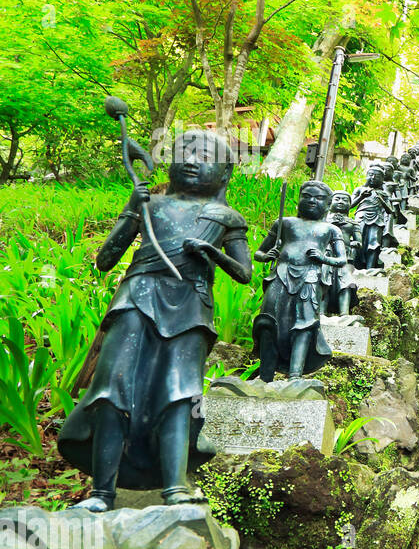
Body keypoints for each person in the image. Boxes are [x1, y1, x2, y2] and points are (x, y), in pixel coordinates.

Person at [57, 130, 252, 512]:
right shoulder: (151, 205)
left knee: (179, 392)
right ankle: (101, 492)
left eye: (205, 155)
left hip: (191, 305)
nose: (192, 159)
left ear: (226, 174)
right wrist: (132, 210)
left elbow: (244, 273)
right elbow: (105, 259)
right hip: (136, 298)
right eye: (185, 151)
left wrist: (212, 251)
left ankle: (175, 486)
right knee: (113, 387)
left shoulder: (226, 216)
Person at [252, 181, 349, 381]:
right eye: (307, 196)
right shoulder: (284, 223)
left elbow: (342, 260)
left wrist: (323, 259)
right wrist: (266, 255)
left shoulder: (330, 229)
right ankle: (265, 375)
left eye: (319, 198)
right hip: (280, 273)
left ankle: (295, 375)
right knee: (268, 321)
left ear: (328, 203)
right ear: (299, 199)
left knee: (305, 323)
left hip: (310, 277)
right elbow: (259, 253)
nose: (312, 200)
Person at [351, 165, 397, 269]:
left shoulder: (384, 194)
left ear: (382, 179)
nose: (373, 178)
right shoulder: (359, 190)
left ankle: (370, 268)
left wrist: (382, 200)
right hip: (361, 217)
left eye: (377, 176)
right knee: (357, 242)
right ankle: (354, 266)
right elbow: (350, 206)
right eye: (370, 175)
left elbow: (390, 211)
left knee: (374, 243)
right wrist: (361, 197)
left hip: (377, 219)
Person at [325, 190, 360, 315]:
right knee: (324, 280)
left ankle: (344, 314)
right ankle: (321, 313)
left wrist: (356, 243)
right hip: (325, 255)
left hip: (345, 257)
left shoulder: (353, 223)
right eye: (337, 199)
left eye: (345, 200)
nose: (341, 202)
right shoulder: (324, 220)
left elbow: (358, 241)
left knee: (347, 282)